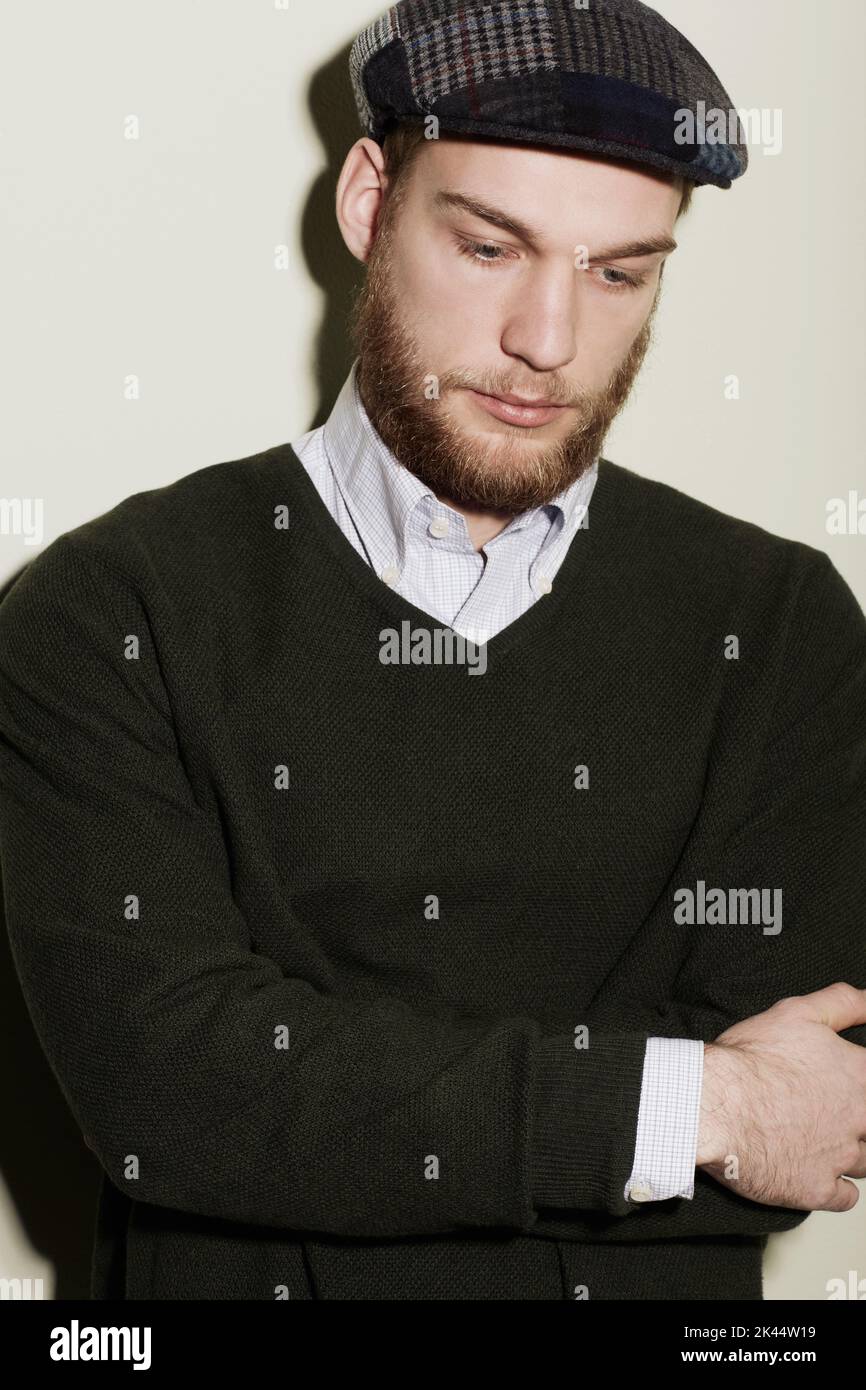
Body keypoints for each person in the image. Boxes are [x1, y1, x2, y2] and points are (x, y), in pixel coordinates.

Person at [0, 0, 864, 1302]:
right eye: (486, 245)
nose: (548, 340)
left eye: (620, 271)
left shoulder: (779, 625)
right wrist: (697, 1108)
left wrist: (328, 1095)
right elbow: (172, 1099)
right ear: (366, 200)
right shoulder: (107, 615)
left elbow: (801, 1112)